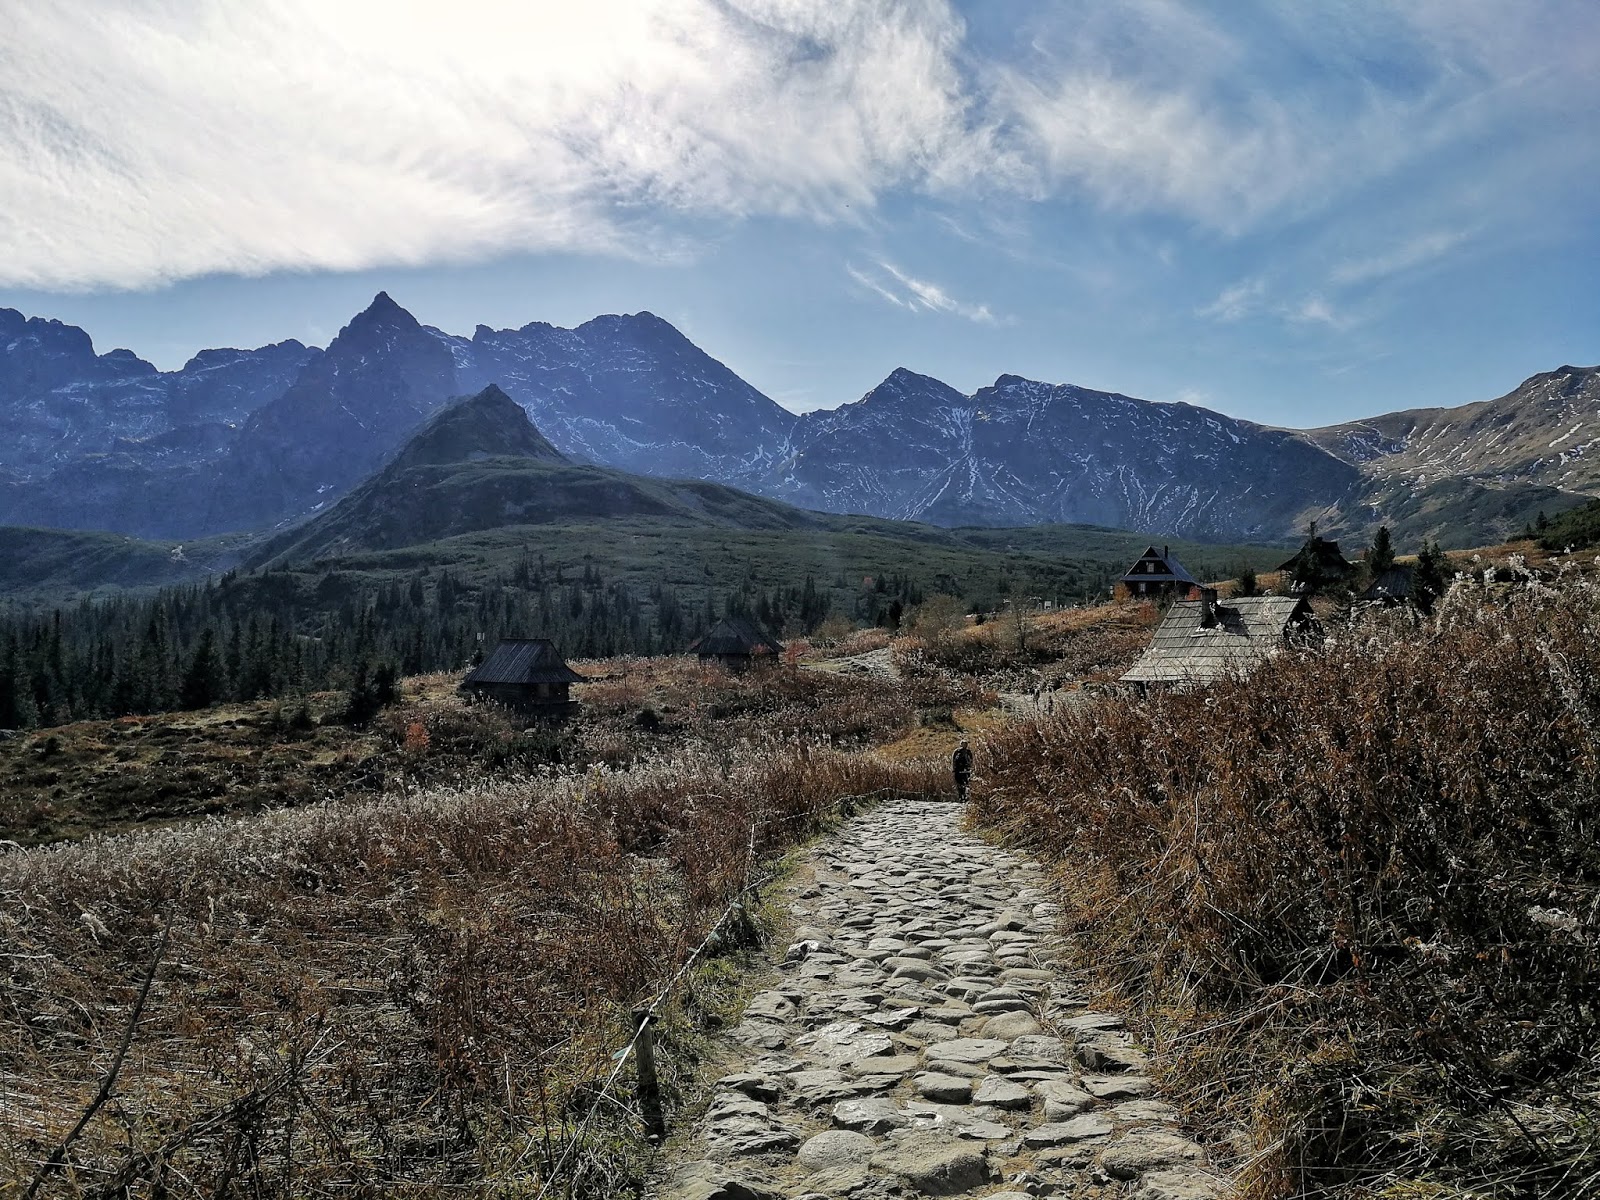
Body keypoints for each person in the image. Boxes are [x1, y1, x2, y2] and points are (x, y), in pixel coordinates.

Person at [951, 738, 973, 803]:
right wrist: (954, 768)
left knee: (966, 783)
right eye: (963, 744)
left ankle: (965, 796)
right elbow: (953, 760)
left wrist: (969, 767)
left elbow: (971, 760)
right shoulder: (957, 751)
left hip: (966, 770)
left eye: (966, 744)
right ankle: (961, 796)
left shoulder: (968, 752)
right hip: (958, 770)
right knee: (959, 784)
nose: (964, 746)